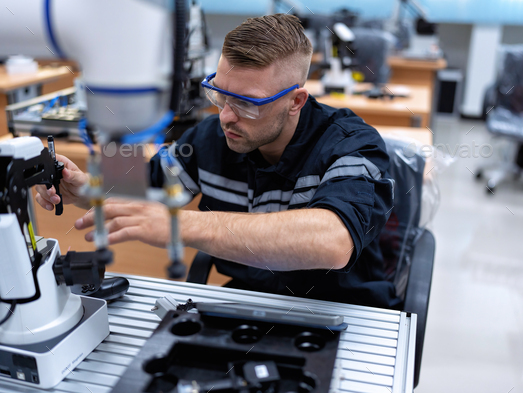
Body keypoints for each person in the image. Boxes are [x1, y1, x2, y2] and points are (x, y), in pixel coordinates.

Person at [35, 14, 397, 309]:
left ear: (296, 101)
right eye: (219, 94)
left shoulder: (352, 145)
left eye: (246, 103)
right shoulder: (214, 136)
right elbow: (147, 189)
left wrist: (186, 225)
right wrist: (84, 188)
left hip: (345, 311)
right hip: (244, 302)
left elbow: (332, 241)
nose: (226, 116)